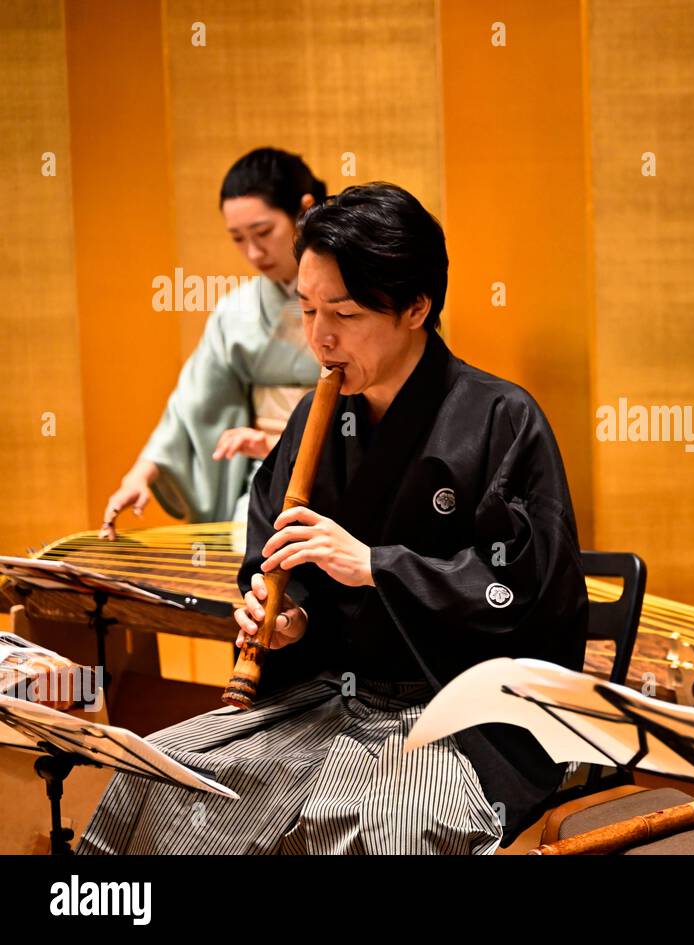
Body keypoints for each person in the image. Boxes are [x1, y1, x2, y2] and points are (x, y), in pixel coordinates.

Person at [77, 182, 588, 854]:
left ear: (415, 307)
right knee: (160, 775)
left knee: (380, 828)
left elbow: (525, 595)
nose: (319, 338)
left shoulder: (501, 419)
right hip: (329, 696)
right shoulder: (317, 416)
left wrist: (378, 565)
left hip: (463, 714)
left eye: (342, 314)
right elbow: (274, 549)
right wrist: (288, 618)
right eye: (309, 309)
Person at [100, 147, 325, 537]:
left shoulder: (359, 301)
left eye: (263, 232)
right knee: (245, 547)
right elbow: (193, 407)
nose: (253, 253)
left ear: (304, 210)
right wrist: (142, 472)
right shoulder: (235, 312)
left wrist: (281, 439)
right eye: (238, 238)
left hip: (344, 473)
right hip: (268, 474)